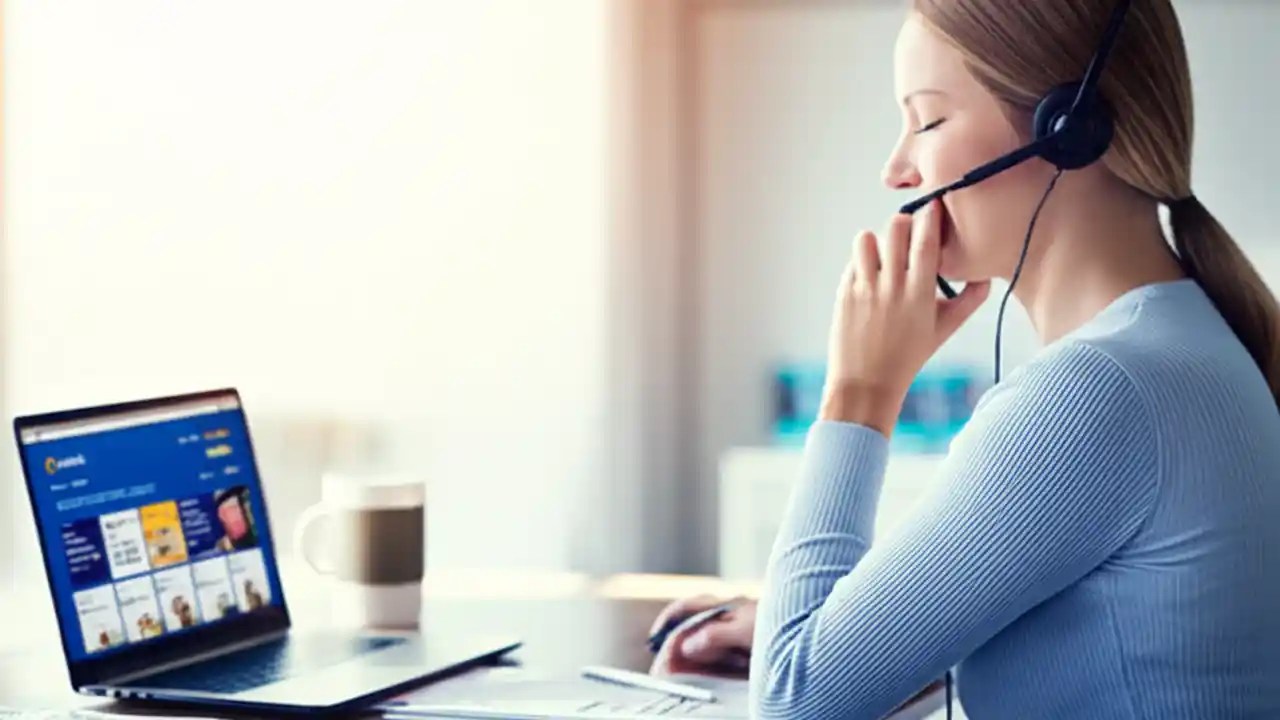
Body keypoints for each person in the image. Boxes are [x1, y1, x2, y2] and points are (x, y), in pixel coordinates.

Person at [650, 1, 1280, 718]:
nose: (897, 170)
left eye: (927, 121)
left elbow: (798, 702)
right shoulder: (1185, 335)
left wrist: (860, 390)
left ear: (1068, 130)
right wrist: (852, 631)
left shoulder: (1096, 391)